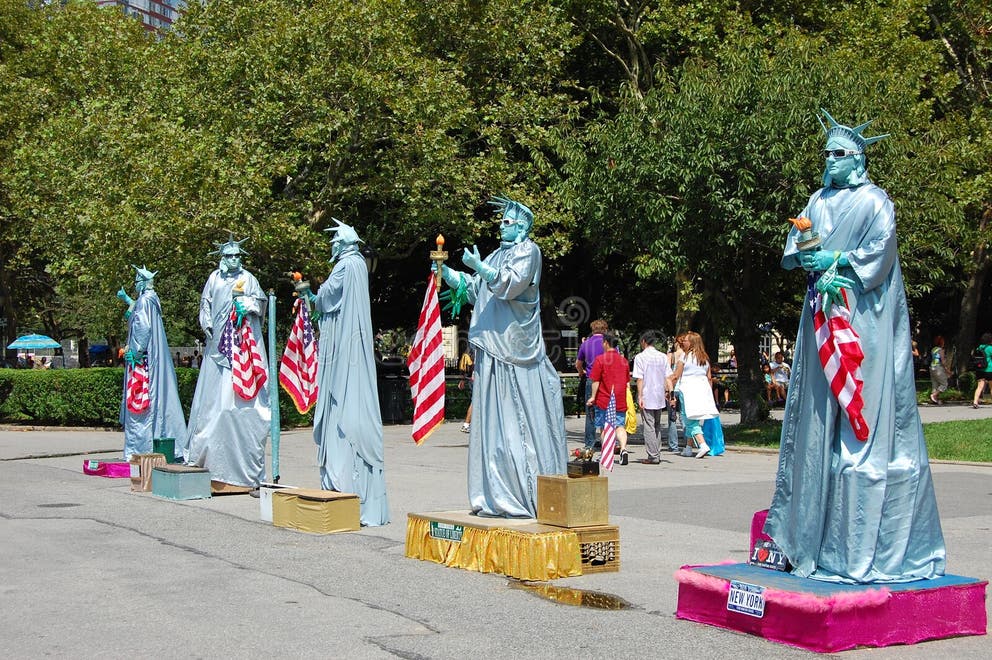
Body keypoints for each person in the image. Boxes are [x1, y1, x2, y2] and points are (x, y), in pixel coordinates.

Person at [764, 110, 945, 583]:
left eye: (838, 153)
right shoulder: (817, 199)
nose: (829, 159)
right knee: (815, 414)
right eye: (826, 152)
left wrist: (837, 258)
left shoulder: (876, 201)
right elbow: (795, 250)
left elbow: (879, 256)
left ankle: (859, 541)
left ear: (858, 160)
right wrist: (807, 255)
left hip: (862, 319)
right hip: (819, 318)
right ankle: (808, 537)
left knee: (862, 404)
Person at [438, 196, 567, 517]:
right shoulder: (497, 253)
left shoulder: (529, 251)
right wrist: (448, 273)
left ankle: (524, 493)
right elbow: (475, 289)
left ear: (522, 227)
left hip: (513, 350)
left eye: (507, 222)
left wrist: (480, 267)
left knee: (515, 425)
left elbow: (510, 284)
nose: (501, 225)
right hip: (491, 348)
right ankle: (496, 493)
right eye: (502, 221)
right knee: (494, 426)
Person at [305, 219, 388, 526]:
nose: (332, 247)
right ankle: (353, 487)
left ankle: (345, 484)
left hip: (343, 348)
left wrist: (310, 295)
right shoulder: (358, 266)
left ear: (341, 243)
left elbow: (326, 298)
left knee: (343, 408)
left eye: (333, 243)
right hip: (348, 344)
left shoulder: (344, 266)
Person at [185, 236, 270, 489]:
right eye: (229, 256)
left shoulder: (249, 278)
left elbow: (261, 303)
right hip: (217, 350)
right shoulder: (214, 278)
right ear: (222, 257)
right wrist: (207, 324)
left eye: (237, 255)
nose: (234, 259)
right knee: (212, 403)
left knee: (234, 407)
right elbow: (205, 304)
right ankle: (207, 456)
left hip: (241, 349)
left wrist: (247, 305)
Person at [117, 266, 187, 461]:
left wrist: (135, 352)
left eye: (136, 282)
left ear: (142, 283)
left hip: (143, 361)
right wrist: (128, 300)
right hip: (152, 358)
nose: (135, 285)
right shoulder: (150, 299)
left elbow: (142, 326)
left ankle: (140, 448)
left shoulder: (145, 300)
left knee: (142, 402)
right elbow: (136, 316)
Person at [668, 332, 719, 458]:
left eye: (685, 340)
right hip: (703, 390)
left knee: (689, 420)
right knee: (694, 418)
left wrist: (669, 389)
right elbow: (709, 377)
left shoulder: (685, 357)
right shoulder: (704, 358)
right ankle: (688, 447)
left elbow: (676, 375)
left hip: (688, 390)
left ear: (691, 343)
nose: (683, 342)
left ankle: (702, 444)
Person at [587, 333, 630, 465]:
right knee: (619, 426)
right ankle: (623, 449)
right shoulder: (623, 361)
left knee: (605, 428)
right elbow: (627, 381)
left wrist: (593, 397)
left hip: (604, 399)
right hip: (620, 398)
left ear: (606, 343)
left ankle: (607, 454)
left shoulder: (600, 360)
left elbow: (596, 380)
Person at [632, 330, 671, 464]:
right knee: (657, 425)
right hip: (659, 394)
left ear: (643, 342)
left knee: (649, 425)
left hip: (647, 394)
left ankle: (653, 455)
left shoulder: (640, 357)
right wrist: (669, 392)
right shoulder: (662, 356)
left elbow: (639, 378)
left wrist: (640, 396)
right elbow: (668, 376)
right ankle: (656, 452)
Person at [576, 319, 608, 450]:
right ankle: (607, 441)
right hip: (606, 380)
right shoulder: (608, 343)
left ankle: (589, 443)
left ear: (592, 329)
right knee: (607, 410)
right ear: (605, 329)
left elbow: (578, 363)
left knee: (590, 412)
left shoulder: (586, 344)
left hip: (591, 379)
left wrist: (581, 372)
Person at [972, 332, 992, 408]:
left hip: (979, 370)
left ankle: (975, 402)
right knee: (991, 387)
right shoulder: (990, 348)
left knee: (979, 387)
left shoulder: (979, 348)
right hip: (989, 369)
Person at [458, 348, 474, 432]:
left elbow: (464, 368)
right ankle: (466, 424)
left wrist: (462, 380)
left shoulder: (468, 350)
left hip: (470, 379)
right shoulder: (475, 350)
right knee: (475, 402)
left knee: (474, 401)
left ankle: (468, 424)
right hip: (475, 380)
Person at [929, 335, 948, 405]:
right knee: (944, 384)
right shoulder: (940, 350)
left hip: (932, 367)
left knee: (935, 384)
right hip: (938, 367)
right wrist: (947, 370)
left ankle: (934, 400)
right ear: (941, 342)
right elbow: (943, 361)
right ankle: (934, 395)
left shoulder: (933, 349)